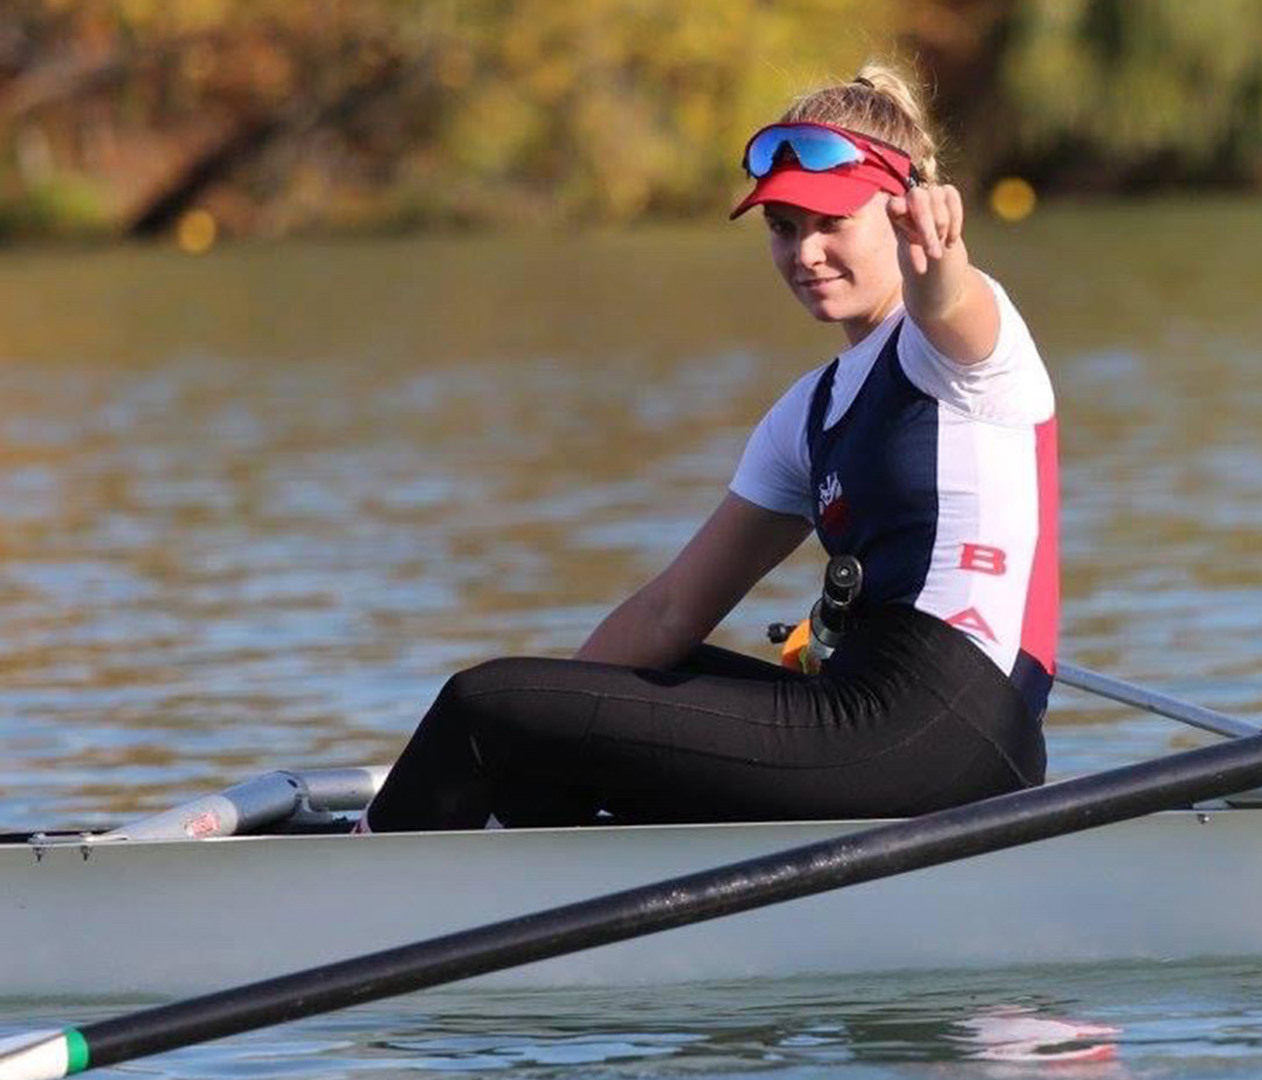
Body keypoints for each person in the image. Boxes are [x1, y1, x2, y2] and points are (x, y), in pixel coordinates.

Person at [357, 62, 1058, 832]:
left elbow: (950, 301)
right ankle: (536, 901)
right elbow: (667, 611)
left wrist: (942, 268)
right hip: (878, 717)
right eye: (783, 228)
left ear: (904, 214)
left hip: (945, 721)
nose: (805, 254)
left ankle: (364, 891)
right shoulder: (805, 416)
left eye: (831, 224)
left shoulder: (965, 352)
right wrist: (519, 731)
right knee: (546, 710)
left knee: (481, 700)